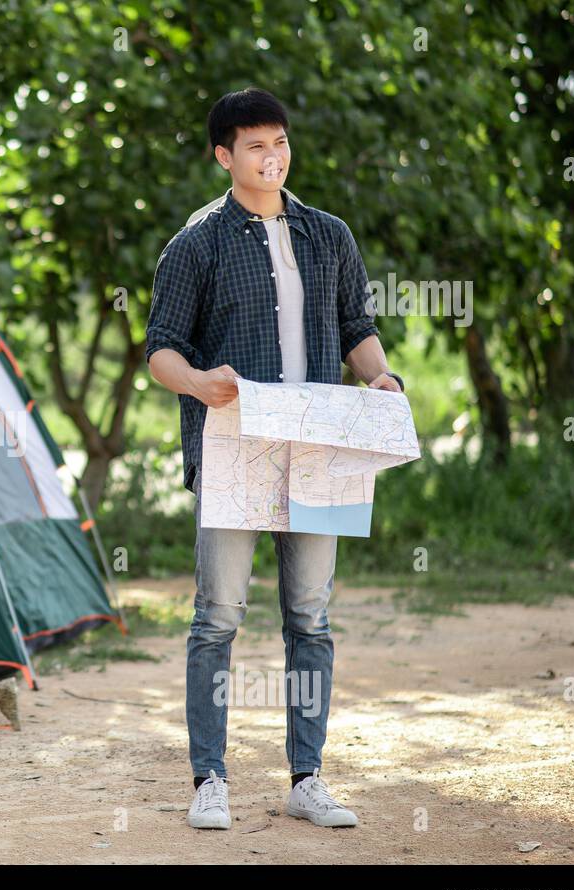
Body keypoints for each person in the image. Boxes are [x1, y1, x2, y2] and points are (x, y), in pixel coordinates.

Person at [144, 87, 405, 830]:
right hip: (234, 451)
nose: (274, 157)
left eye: (281, 142)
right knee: (218, 614)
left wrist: (377, 375)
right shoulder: (196, 244)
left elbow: (357, 323)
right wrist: (199, 383)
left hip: (319, 448)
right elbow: (160, 347)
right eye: (256, 146)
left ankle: (307, 778)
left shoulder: (329, 236)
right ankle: (210, 780)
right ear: (223, 155)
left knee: (310, 619)